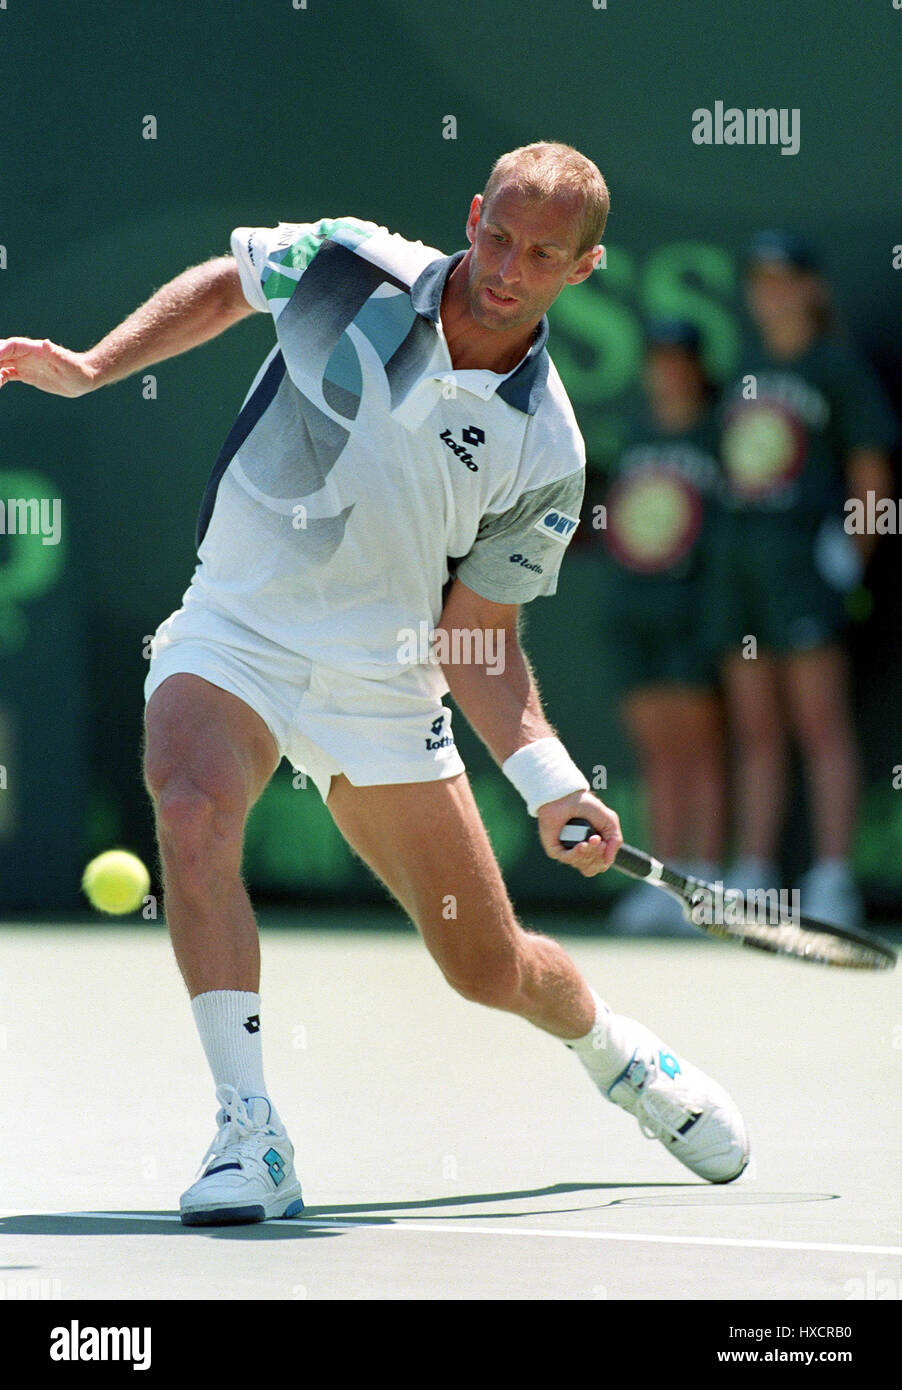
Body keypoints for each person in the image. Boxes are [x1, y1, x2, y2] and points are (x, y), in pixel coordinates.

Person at [0, 143, 748, 1223]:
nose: (504, 266)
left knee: (486, 968)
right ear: (473, 211)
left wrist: (548, 782)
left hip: (382, 681)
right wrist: (96, 363)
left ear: (581, 271)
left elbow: (475, 636)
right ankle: (249, 1135)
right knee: (191, 807)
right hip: (236, 626)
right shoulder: (354, 267)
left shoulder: (543, 446)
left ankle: (613, 1051)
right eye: (496, 234)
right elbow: (230, 279)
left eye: (540, 254)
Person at [712, 231, 897, 926]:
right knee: (757, 727)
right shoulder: (747, 364)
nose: (771, 292)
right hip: (743, 568)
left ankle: (832, 881)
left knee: (820, 724)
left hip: (806, 572)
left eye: (784, 279)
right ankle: (754, 873)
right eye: (759, 280)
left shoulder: (837, 367)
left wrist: (850, 555)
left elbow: (871, 474)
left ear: (811, 288)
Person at [597, 320, 726, 934]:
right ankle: (665, 881)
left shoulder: (719, 431)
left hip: (694, 610)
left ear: (697, 367)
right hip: (635, 609)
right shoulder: (636, 432)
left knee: (698, 747)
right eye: (658, 360)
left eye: (679, 360)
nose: (667, 372)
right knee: (658, 751)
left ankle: (705, 881)